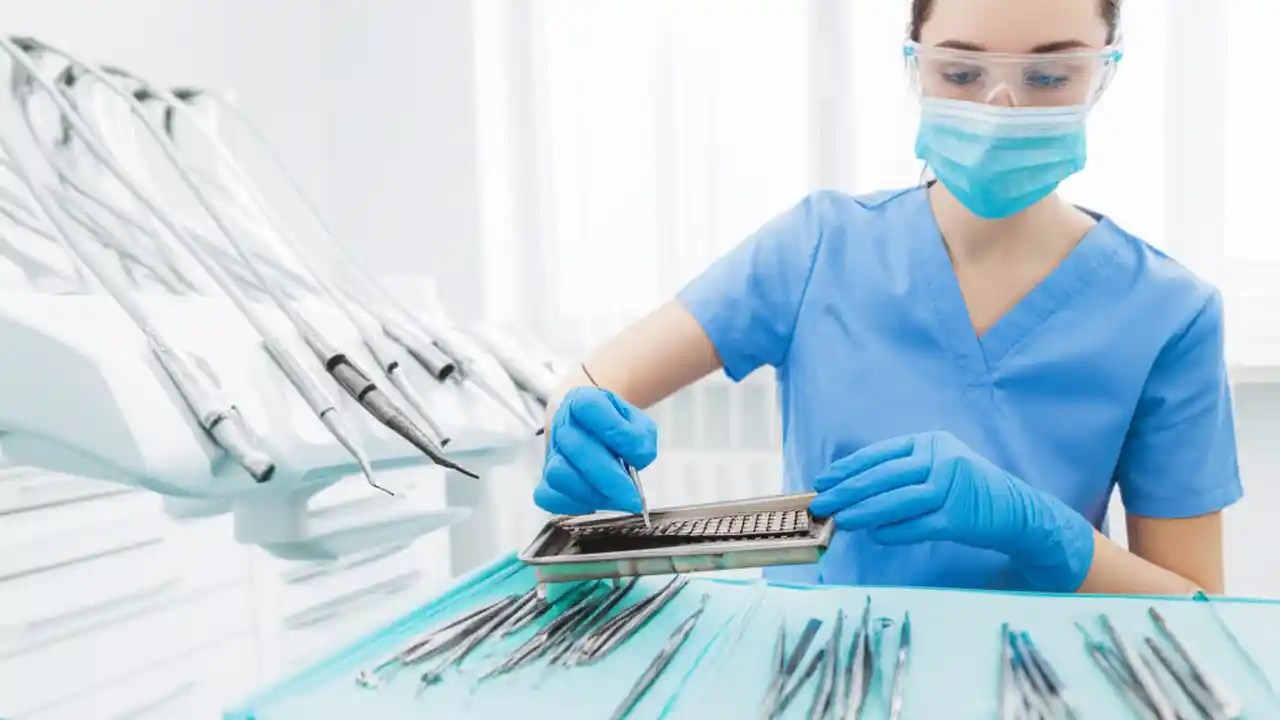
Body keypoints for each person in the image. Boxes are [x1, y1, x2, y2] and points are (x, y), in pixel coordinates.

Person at [533, 0, 1242, 595]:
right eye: (961, 72)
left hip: (1034, 682)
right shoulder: (819, 246)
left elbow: (1198, 606)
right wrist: (576, 422)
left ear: (1106, 72)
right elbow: (595, 382)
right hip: (813, 667)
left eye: (1049, 74)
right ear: (915, 66)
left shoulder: (1169, 313)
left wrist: (1047, 534)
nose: (1001, 107)